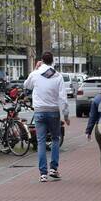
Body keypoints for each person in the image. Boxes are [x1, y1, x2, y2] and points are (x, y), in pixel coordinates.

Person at [24, 51, 69, 181]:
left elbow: (26, 85)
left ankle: (43, 173)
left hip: (39, 111)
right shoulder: (58, 76)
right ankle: (53, 169)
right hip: (53, 111)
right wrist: (65, 115)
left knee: (41, 141)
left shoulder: (36, 73)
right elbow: (63, 98)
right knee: (55, 139)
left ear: (42, 61)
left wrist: (35, 68)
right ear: (52, 61)